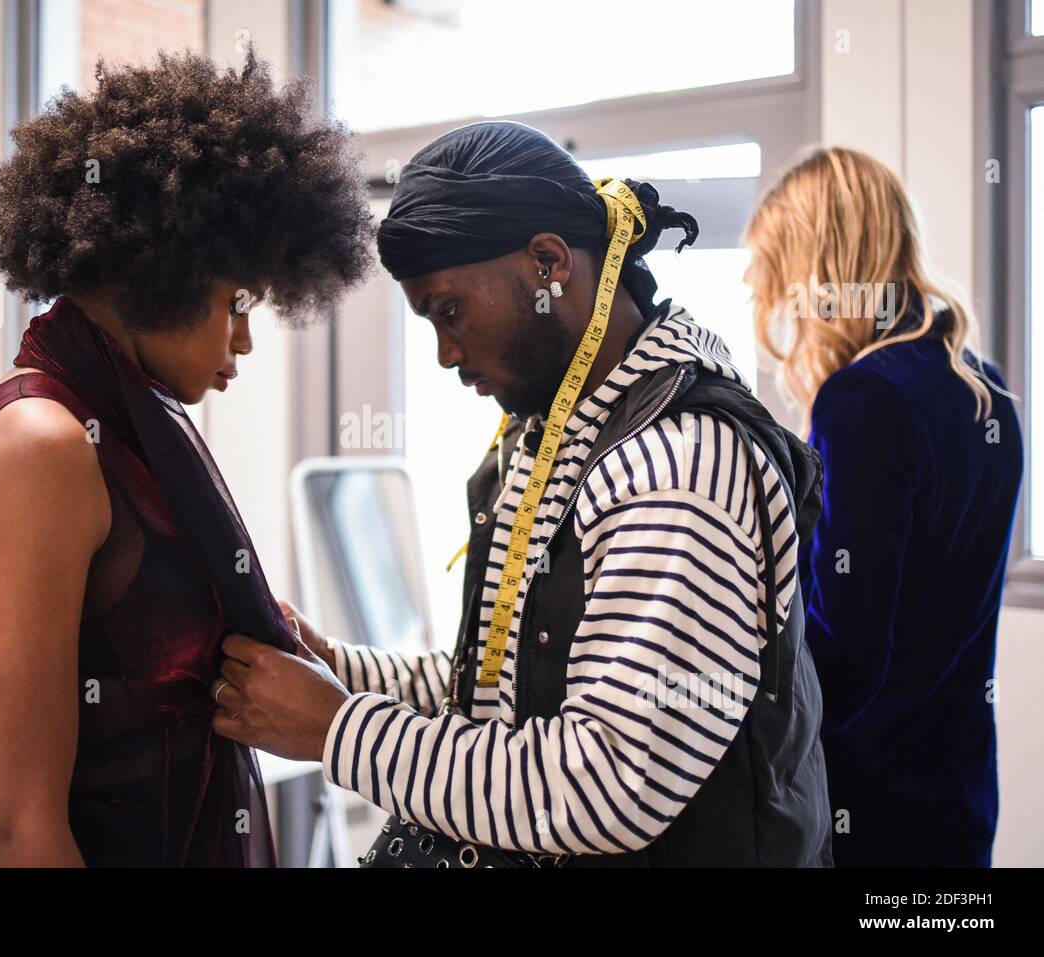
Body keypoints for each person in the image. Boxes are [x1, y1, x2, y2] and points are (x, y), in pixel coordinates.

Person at [212, 121, 833, 866]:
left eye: (449, 311)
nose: (444, 354)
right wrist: (337, 668)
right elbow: (505, 686)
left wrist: (336, 728)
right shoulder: (553, 435)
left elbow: (606, 783)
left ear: (547, 263)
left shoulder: (679, 467)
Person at [0, 49, 372, 866]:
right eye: (237, 303)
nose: (243, 341)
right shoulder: (48, 443)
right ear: (160, 267)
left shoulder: (135, 426)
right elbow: (19, 825)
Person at [743, 146, 1024, 867]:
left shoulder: (863, 401)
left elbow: (843, 656)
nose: (777, 307)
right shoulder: (981, 388)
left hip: (869, 808)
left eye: (780, 278)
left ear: (819, 270)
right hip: (955, 796)